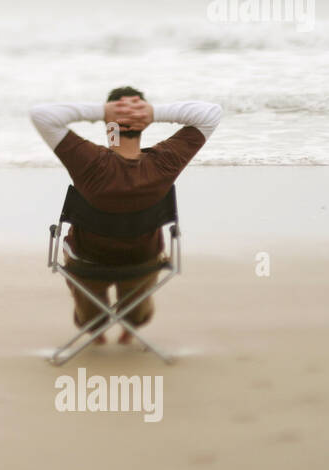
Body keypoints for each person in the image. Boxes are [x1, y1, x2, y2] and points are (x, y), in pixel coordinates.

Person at [29, 88, 222, 344]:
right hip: (143, 263)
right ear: (143, 126)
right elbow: (211, 113)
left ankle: (95, 329)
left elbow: (42, 115)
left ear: (110, 127)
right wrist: (152, 112)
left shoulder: (89, 163)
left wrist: (104, 112)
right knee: (137, 307)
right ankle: (131, 326)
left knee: (90, 316)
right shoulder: (165, 163)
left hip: (86, 263)